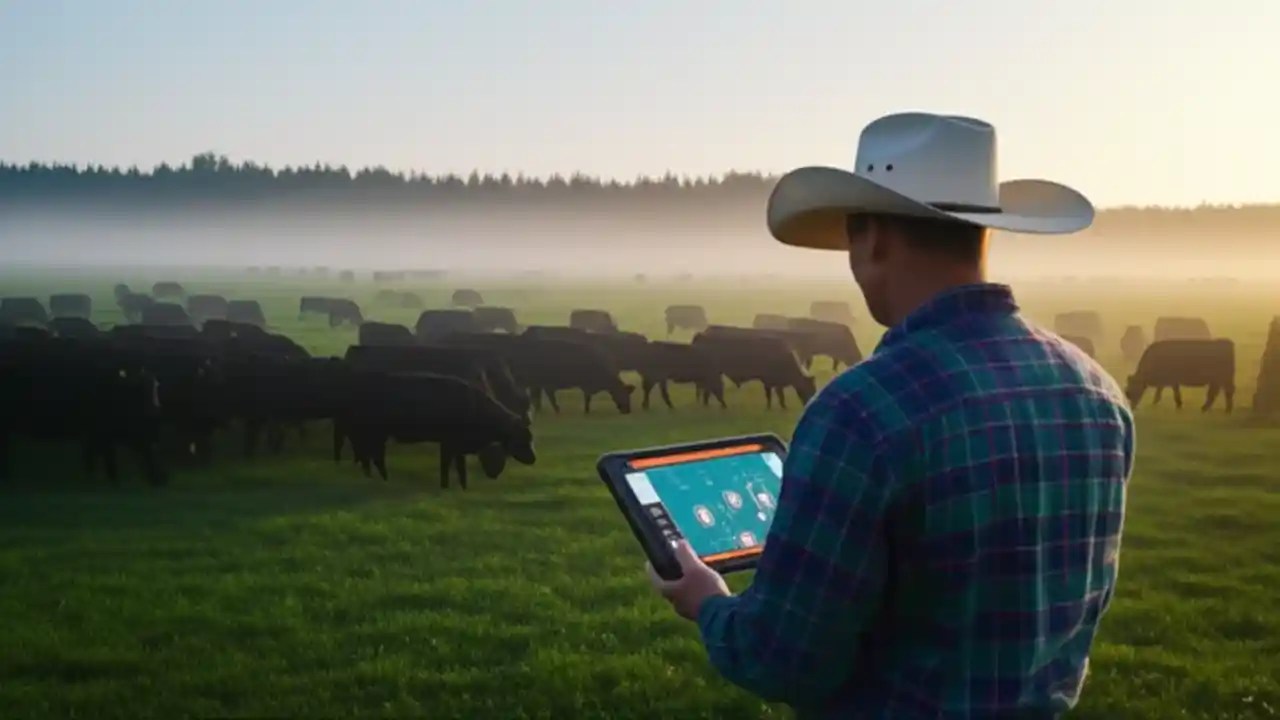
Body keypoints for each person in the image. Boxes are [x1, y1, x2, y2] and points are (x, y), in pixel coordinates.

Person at [648, 112, 1135, 718]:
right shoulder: (1097, 393)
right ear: (985, 233)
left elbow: (781, 658)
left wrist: (708, 601)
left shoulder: (861, 410)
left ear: (870, 238)